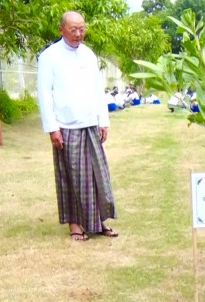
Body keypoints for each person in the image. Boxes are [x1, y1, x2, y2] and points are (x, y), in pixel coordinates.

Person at [37, 11, 117, 241]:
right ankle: (75, 224)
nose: (78, 34)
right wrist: (52, 128)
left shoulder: (89, 55)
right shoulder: (49, 56)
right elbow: (44, 95)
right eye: (73, 29)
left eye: (82, 29)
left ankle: (98, 220)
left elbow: (97, 90)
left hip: (91, 123)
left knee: (97, 174)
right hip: (66, 126)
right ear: (61, 29)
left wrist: (103, 120)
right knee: (72, 176)